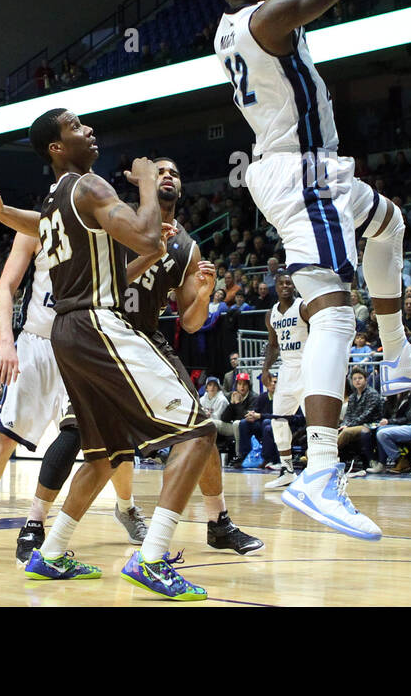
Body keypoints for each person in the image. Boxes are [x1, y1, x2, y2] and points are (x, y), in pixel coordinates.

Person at [213, 0, 411, 541]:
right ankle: (321, 469)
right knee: (333, 313)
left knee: (389, 223)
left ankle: (402, 352)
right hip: (301, 171)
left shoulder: (236, 24)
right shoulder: (267, 21)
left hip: (312, 172)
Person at [0, 111, 218, 600]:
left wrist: (3, 214)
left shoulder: (57, 197)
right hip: (97, 321)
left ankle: (53, 550)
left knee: (107, 453)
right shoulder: (88, 185)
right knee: (198, 431)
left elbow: (40, 225)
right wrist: (148, 184)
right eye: (76, 127)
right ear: (56, 148)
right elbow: (149, 237)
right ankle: (152, 559)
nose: (89, 130)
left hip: (66, 331)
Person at [118, 156, 263, 552]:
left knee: (201, 427)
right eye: (161, 171)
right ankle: (39, 526)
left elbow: (192, 323)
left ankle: (218, 522)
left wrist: (202, 295)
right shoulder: (120, 220)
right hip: (105, 334)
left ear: (181, 188)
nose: (168, 176)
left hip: (148, 339)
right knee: (84, 440)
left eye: (175, 173)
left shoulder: (187, 246)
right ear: (146, 182)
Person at [260, 273, 308, 489]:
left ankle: (321, 470)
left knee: (316, 422)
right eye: (281, 283)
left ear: (294, 286)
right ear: (276, 287)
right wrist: (265, 369)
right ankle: (287, 470)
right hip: (287, 370)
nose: (285, 286)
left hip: (308, 367)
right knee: (277, 421)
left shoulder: (303, 307)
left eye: (289, 282)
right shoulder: (271, 314)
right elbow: (273, 344)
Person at [338, 368, 382, 475]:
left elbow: (366, 415)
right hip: (355, 425)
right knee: (338, 429)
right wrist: (345, 424)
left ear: (366, 380)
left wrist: (348, 426)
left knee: (346, 432)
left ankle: (325, 453)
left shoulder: (372, 394)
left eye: (360, 378)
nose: (357, 381)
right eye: (355, 379)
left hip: (371, 424)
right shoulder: (353, 397)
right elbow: (348, 415)